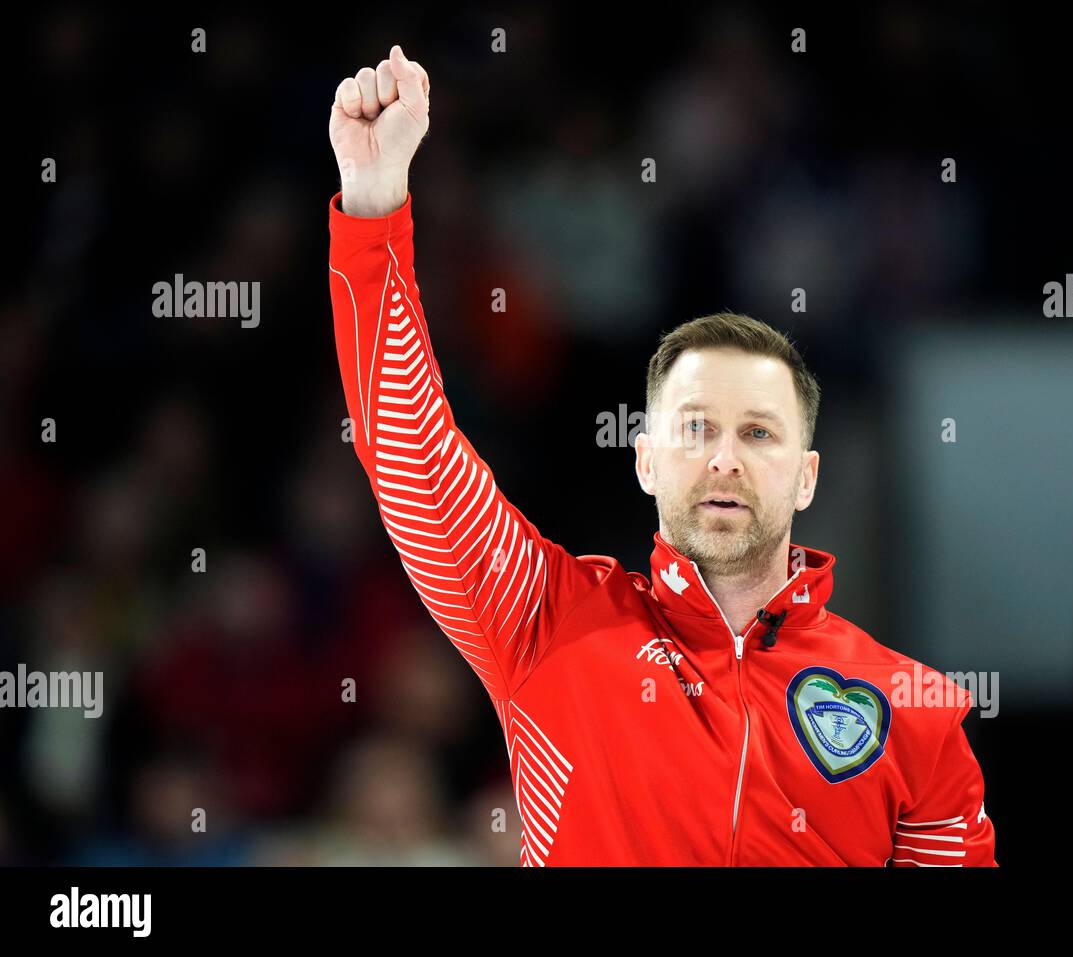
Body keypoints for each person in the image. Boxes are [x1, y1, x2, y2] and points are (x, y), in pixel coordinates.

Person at [326, 45, 996, 866]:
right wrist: (373, 202)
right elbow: (405, 445)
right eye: (694, 429)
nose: (724, 458)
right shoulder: (546, 622)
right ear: (643, 461)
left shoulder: (912, 711)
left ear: (808, 474)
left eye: (758, 432)